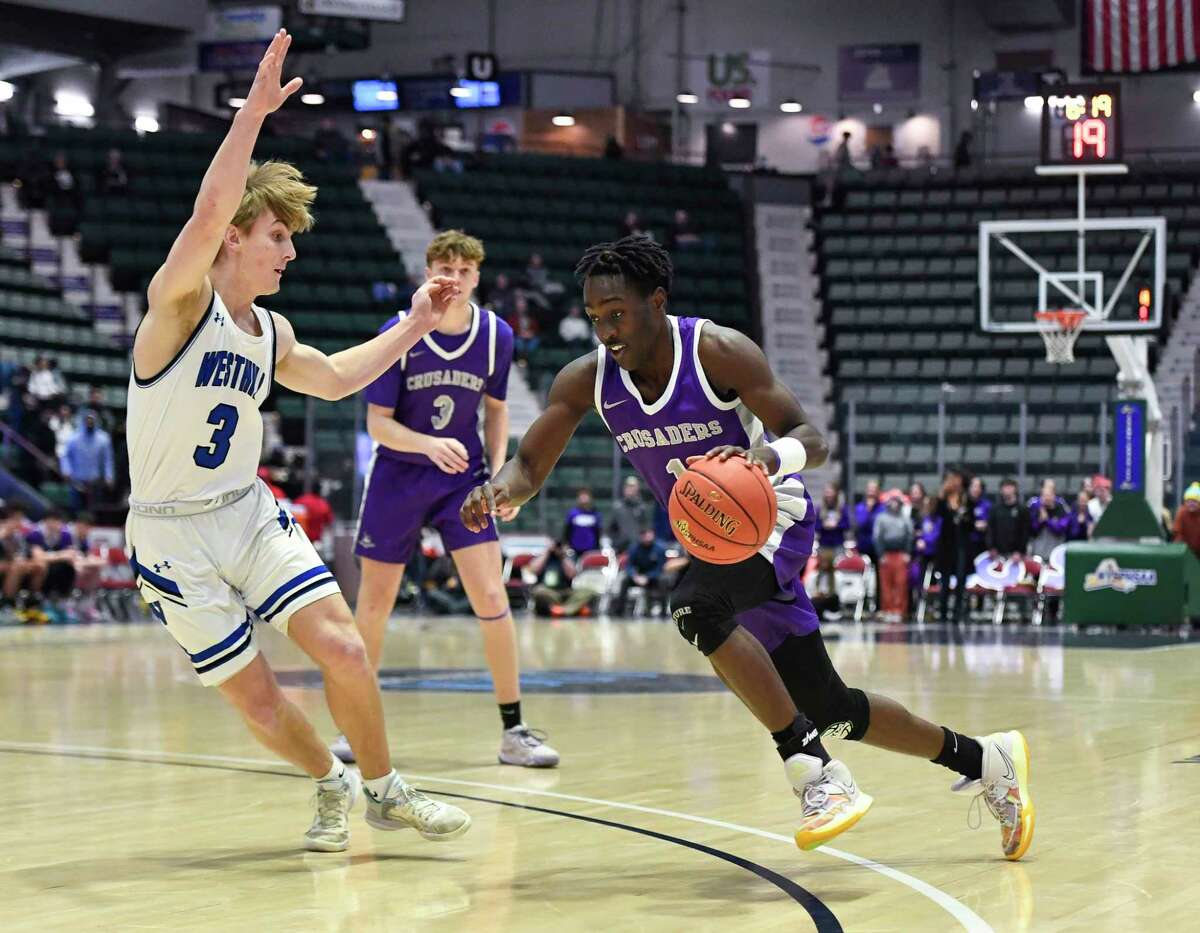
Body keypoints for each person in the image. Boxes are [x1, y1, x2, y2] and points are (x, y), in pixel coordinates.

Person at [461, 234, 1033, 859]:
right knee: (832, 706)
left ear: (657, 301)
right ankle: (983, 759)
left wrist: (764, 456)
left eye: (618, 313)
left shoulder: (716, 351)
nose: (607, 331)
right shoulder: (588, 380)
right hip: (714, 540)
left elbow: (812, 438)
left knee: (695, 608)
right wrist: (498, 491)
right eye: (596, 318)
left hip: (773, 519)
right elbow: (530, 465)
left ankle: (815, 773)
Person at [121, 32, 471, 854]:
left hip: (245, 511)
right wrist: (252, 113)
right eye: (278, 235)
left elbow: (340, 377)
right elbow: (209, 208)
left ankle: (386, 789)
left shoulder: (268, 331)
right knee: (261, 702)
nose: (291, 249)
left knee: (345, 647)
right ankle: (329, 784)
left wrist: (415, 324)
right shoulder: (178, 304)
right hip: (169, 532)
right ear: (236, 239)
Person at [343, 228, 558, 770]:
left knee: (492, 597)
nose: (454, 279)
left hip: (462, 481)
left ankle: (515, 731)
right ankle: (354, 727)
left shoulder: (496, 336)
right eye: (445, 268)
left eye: (464, 271)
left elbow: (497, 410)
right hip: (398, 476)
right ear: (428, 273)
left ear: (477, 276)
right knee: (373, 605)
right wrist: (427, 444)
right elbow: (378, 426)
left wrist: (500, 479)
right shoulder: (399, 331)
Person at [933, 469, 975, 624]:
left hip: (961, 545)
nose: (954, 482)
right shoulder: (942, 499)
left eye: (957, 479)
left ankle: (958, 612)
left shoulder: (967, 500)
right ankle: (942, 611)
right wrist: (941, 495)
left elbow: (972, 524)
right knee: (944, 580)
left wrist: (964, 516)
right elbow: (936, 515)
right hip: (946, 545)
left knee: (960, 579)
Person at [61, 410, 115, 510]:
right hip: (77, 480)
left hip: (94, 481)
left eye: (92, 421)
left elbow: (108, 459)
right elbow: (65, 456)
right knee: (76, 508)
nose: (90, 423)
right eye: (87, 421)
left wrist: (109, 475)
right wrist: (66, 470)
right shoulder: (74, 438)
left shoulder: (103, 439)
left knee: (93, 510)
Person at [872, 492, 912, 621]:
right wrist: (881, 553)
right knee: (886, 585)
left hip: (900, 554)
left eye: (896, 501)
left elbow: (910, 536)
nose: (894, 504)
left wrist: (907, 552)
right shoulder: (881, 518)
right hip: (886, 554)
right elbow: (877, 537)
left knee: (901, 584)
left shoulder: (905, 518)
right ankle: (887, 610)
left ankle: (900, 611)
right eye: (892, 501)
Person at [528, 539, 593, 617]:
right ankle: (573, 608)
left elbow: (572, 574)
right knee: (538, 591)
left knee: (588, 591)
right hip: (548, 592)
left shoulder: (568, 557)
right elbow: (533, 570)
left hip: (566, 591)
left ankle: (562, 610)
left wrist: (563, 556)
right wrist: (547, 552)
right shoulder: (543, 557)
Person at [613, 527, 667, 616]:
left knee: (663, 581)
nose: (647, 537)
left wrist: (648, 577)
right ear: (641, 536)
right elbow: (629, 565)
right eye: (645, 535)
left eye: (649, 534)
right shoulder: (634, 548)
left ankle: (663, 612)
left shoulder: (660, 549)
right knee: (624, 581)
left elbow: (660, 568)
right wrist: (634, 576)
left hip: (654, 577)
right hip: (638, 576)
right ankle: (619, 611)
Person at [987, 478, 1031, 560]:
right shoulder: (995, 509)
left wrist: (1020, 551)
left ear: (1015, 489)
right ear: (1001, 490)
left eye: (1010, 487)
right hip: (998, 554)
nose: (1007, 490)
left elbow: (1025, 532)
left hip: (1017, 556)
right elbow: (991, 530)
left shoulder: (1022, 509)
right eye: (1005, 487)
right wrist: (992, 548)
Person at [607, 475, 649, 556]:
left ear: (637, 488)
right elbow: (610, 529)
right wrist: (618, 541)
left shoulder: (642, 507)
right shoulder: (617, 507)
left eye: (633, 486)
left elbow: (646, 528)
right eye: (628, 486)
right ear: (624, 489)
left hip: (639, 548)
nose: (630, 489)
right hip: (621, 549)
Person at [1028, 479, 1069, 561]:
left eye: (1049, 495)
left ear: (1054, 495)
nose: (1047, 498)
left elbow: (1060, 529)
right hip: (1038, 552)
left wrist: (1047, 520)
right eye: (1044, 495)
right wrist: (1040, 521)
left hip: (1055, 552)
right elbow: (1031, 530)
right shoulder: (1034, 507)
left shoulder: (1061, 507)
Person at [562, 486, 601, 555]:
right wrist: (566, 544)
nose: (584, 498)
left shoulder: (595, 514)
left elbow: (598, 532)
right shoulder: (573, 513)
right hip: (574, 549)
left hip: (591, 549)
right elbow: (567, 530)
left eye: (586, 496)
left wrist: (598, 547)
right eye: (582, 496)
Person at [853, 479, 883, 565]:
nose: (871, 492)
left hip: (878, 549)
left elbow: (879, 527)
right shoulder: (860, 507)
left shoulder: (882, 508)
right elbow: (860, 524)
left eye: (874, 490)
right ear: (866, 491)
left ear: (878, 492)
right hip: (863, 547)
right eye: (870, 489)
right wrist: (868, 510)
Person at [815, 483, 850, 553]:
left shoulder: (842, 509)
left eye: (831, 492)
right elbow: (815, 526)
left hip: (838, 545)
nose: (829, 495)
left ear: (836, 494)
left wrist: (836, 525)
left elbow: (847, 525)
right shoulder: (819, 509)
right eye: (827, 492)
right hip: (823, 545)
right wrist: (824, 525)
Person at [1172, 482, 1200, 558]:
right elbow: (1177, 533)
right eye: (1188, 501)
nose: (1191, 504)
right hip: (1184, 552)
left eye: (1194, 501)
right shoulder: (1182, 512)